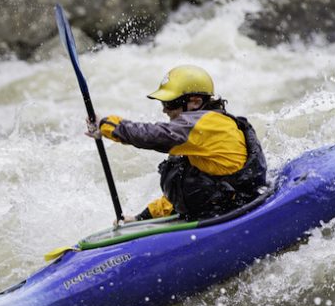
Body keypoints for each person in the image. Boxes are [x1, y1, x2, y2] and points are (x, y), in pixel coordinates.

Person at [86, 65, 267, 221]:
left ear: (195, 102)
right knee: (177, 167)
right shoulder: (203, 128)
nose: (165, 110)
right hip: (222, 203)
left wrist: (106, 124)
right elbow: (199, 186)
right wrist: (141, 217)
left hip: (231, 210)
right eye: (163, 104)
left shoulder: (205, 125)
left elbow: (152, 135)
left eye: (170, 104)